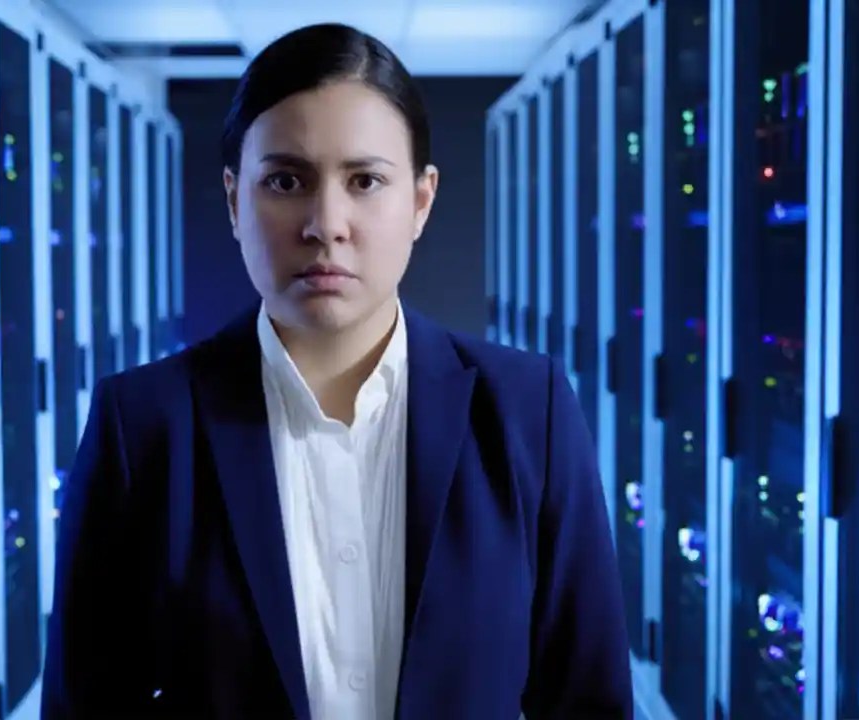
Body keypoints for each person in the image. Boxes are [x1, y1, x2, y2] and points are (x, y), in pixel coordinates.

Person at [42, 21, 632, 720]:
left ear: (420, 200)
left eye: (365, 181)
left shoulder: (527, 411)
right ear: (235, 200)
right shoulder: (141, 428)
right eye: (286, 180)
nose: (326, 223)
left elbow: (587, 698)